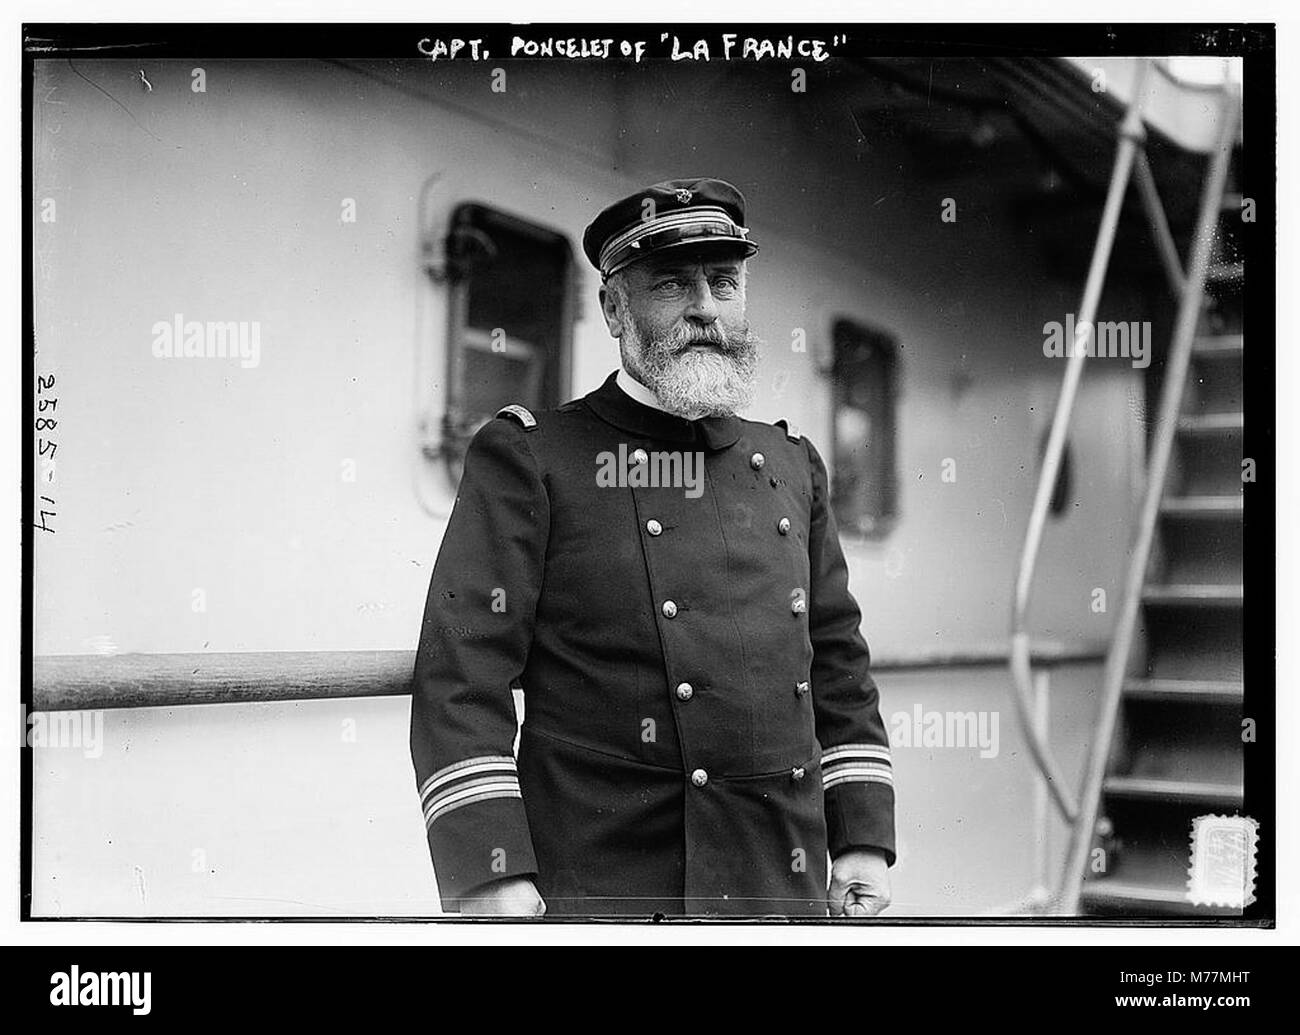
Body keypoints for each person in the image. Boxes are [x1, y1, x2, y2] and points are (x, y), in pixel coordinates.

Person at [410, 177, 895, 917]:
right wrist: (490, 873)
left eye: (723, 282)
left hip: (780, 881)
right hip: (610, 887)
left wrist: (859, 837)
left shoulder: (793, 465)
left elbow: (837, 664)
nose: (705, 307)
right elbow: (462, 670)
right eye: (672, 283)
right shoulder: (533, 458)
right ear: (613, 307)